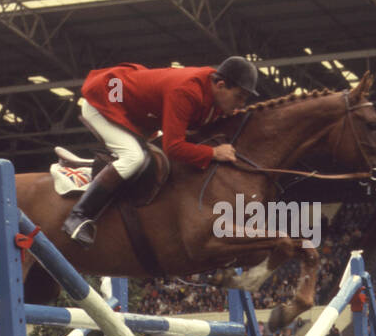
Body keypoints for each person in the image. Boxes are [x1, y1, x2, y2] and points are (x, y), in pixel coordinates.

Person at [63, 55, 259, 244]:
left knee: (152, 156)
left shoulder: (212, 93)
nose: (240, 104)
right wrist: (213, 153)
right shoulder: (187, 92)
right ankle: (78, 216)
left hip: (134, 111)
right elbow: (173, 147)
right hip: (104, 101)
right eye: (239, 97)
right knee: (134, 158)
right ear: (221, 85)